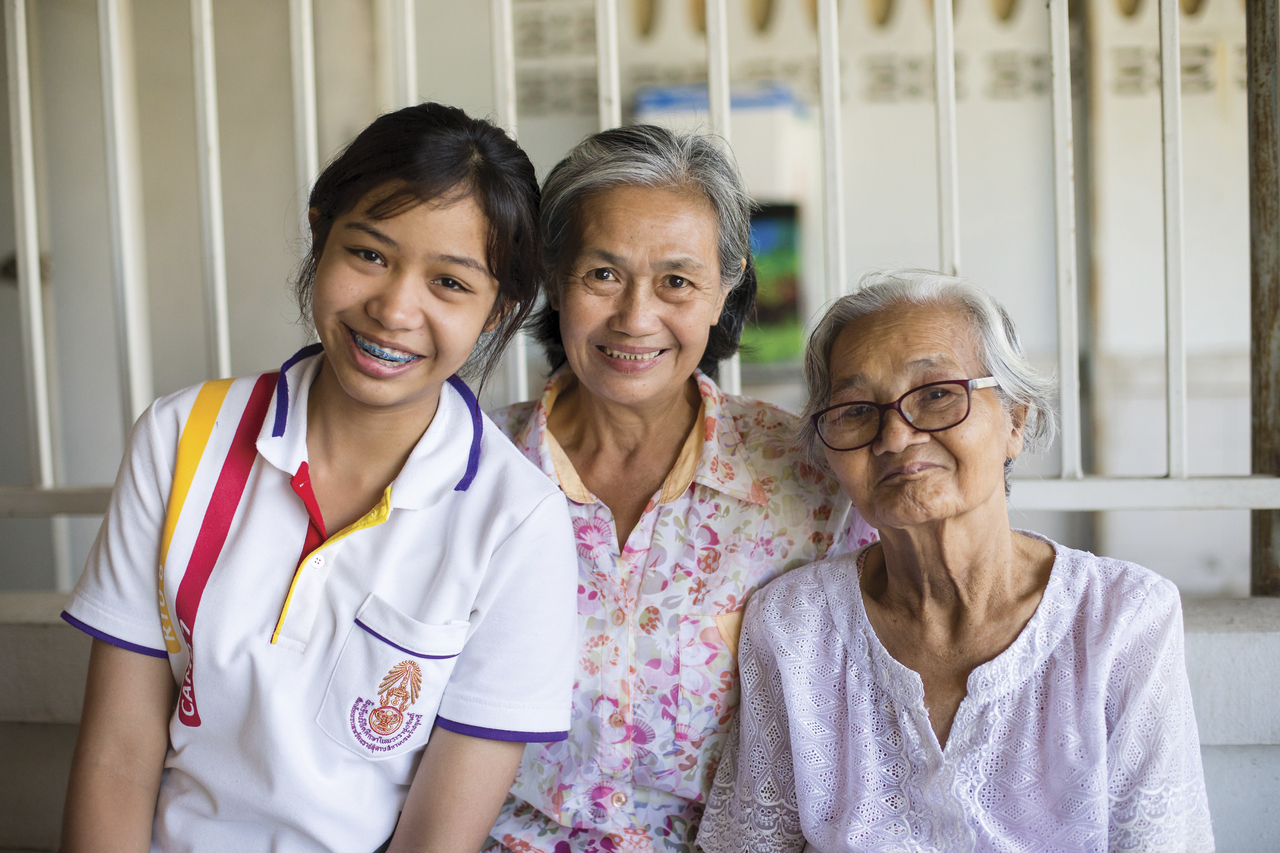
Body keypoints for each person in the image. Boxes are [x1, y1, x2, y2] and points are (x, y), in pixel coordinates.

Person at [58, 102, 577, 853]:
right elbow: (116, 758)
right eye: (369, 254)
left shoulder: (517, 523)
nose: (395, 308)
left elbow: (436, 837)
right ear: (319, 230)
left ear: (500, 310)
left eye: (450, 284)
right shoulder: (181, 437)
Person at [698, 270, 1214, 852]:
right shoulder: (794, 626)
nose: (894, 436)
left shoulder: (1122, 619)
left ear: (1014, 421)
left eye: (937, 394)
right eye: (855, 410)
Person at [485, 125, 875, 852]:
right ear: (554, 276)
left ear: (723, 289)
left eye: (676, 280)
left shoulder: (810, 480)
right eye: (602, 274)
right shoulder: (472, 468)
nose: (636, 317)